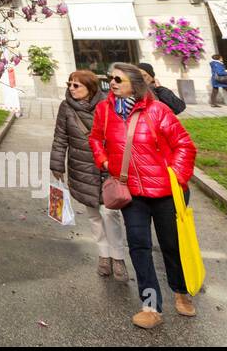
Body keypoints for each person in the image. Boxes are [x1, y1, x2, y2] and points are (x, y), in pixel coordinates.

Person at [90, 62, 198, 329]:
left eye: (118, 79)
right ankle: (150, 304)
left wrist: (176, 176)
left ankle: (180, 291)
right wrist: (104, 161)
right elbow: (95, 138)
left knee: (171, 245)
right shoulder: (104, 111)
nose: (112, 83)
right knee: (139, 246)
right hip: (132, 192)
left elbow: (185, 145)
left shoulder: (158, 110)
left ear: (135, 85)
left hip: (164, 192)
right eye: (110, 78)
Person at [51, 69, 128, 281]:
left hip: (106, 166)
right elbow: (60, 137)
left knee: (110, 213)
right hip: (81, 168)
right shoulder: (66, 107)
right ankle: (104, 255)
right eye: (69, 84)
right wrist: (57, 165)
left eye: (76, 85)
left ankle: (118, 257)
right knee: (94, 215)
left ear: (90, 88)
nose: (71, 89)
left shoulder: (108, 105)